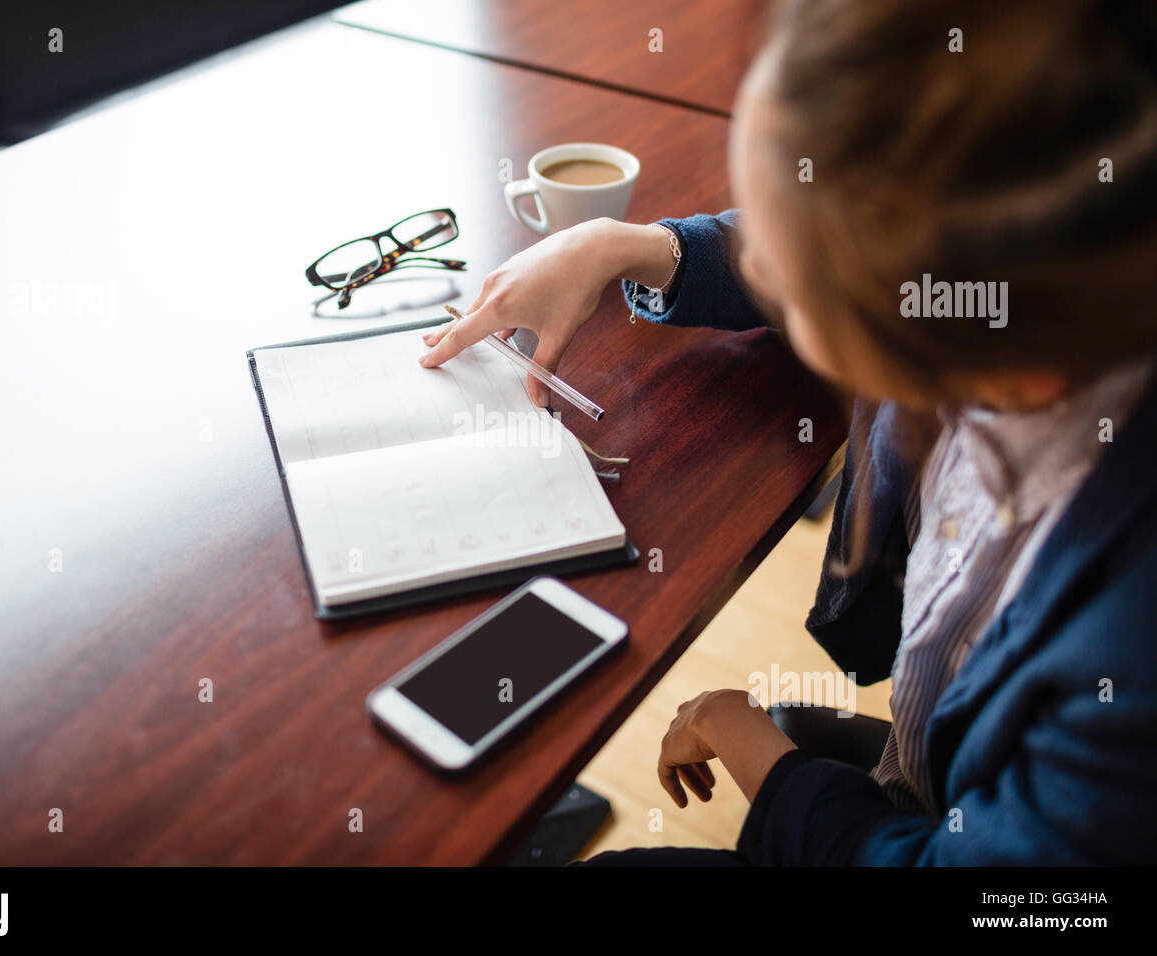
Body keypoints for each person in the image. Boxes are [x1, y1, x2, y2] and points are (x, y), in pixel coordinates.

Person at [418, 0, 1157, 865]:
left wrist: (767, 763)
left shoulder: (1128, 663)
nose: (756, 263)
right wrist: (632, 246)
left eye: (784, 267)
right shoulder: (1030, 289)